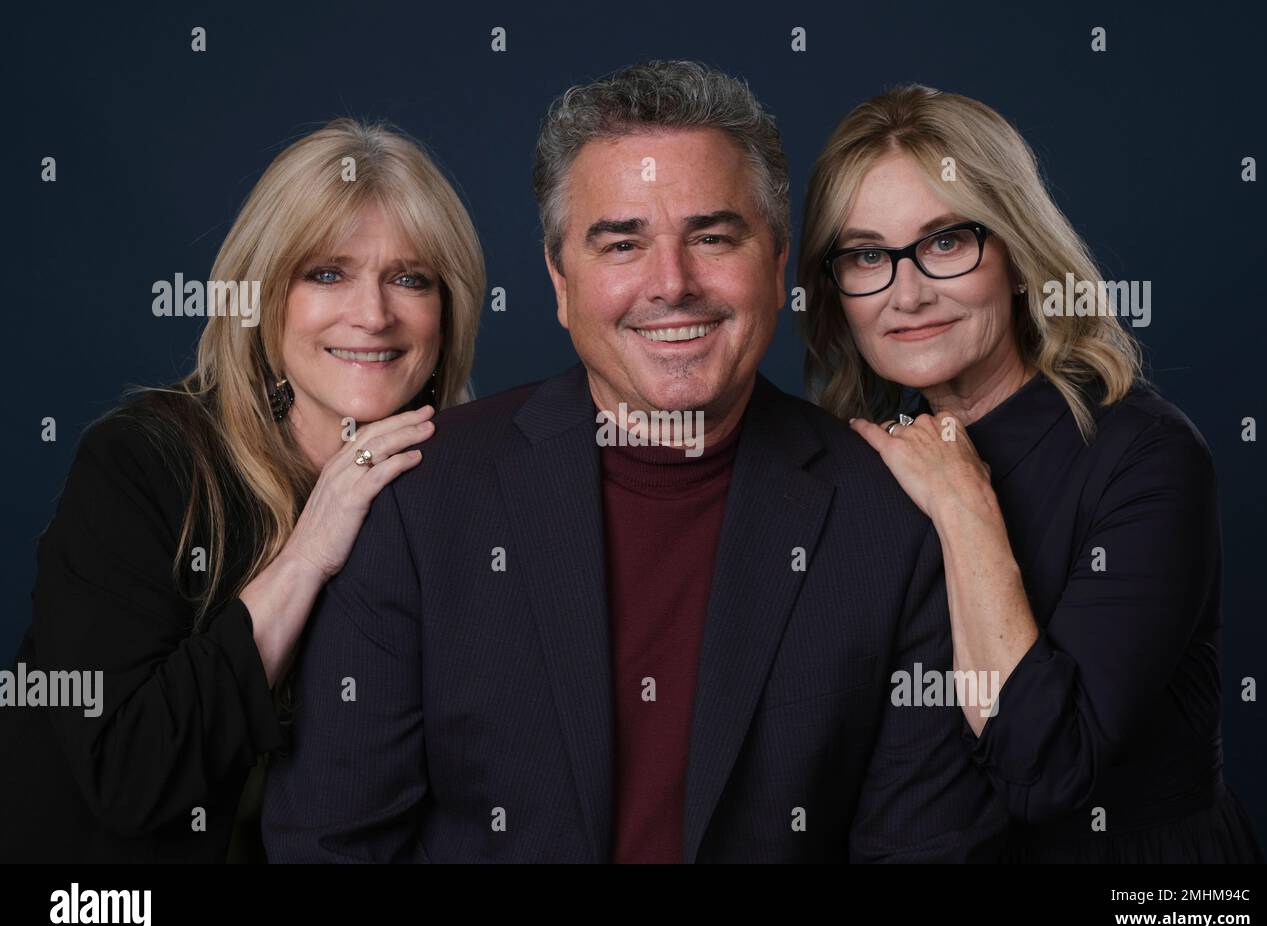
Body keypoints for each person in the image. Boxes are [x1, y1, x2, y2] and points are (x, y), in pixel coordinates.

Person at [262, 61, 1006, 864]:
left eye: (713, 237)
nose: (672, 284)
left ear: (779, 260)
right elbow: (330, 842)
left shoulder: (888, 519)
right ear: (559, 281)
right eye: (622, 243)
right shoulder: (421, 498)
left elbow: (919, 851)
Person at [798, 84, 1263, 862]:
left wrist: (965, 504)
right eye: (868, 254)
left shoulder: (1146, 455)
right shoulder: (864, 457)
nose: (906, 293)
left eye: (946, 241)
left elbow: (1045, 767)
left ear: (1015, 255)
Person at [0, 118, 485, 862]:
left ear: (446, 314)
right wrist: (309, 552)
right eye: (327, 273)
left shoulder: (464, 492)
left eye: (410, 278)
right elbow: (129, 773)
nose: (374, 314)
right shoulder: (140, 465)